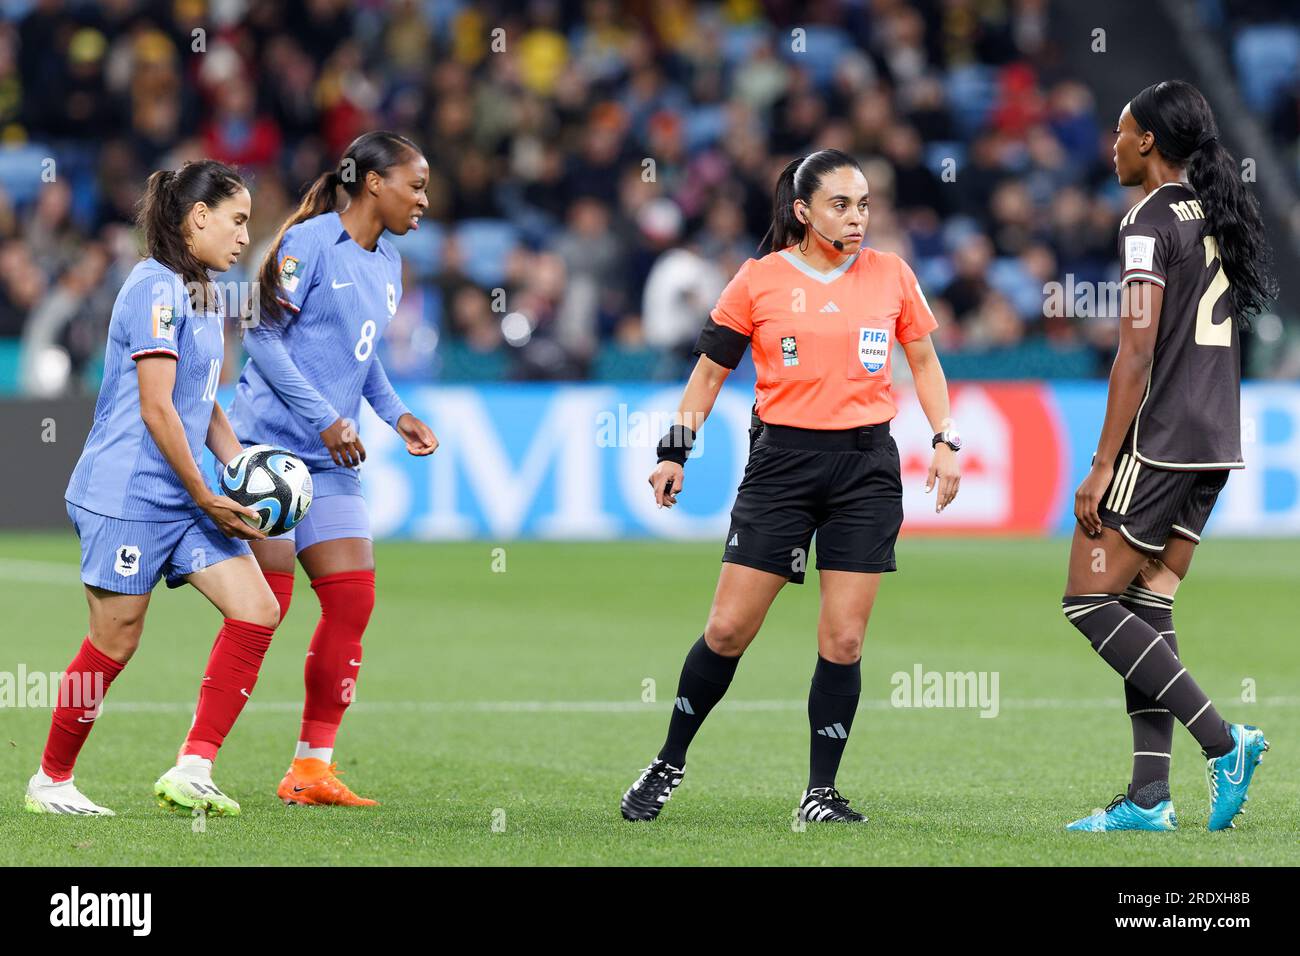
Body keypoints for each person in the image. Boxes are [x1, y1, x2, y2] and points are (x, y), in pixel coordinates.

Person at [620, 148, 962, 824]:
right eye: (841, 204)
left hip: (866, 469)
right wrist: (674, 452)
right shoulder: (758, 280)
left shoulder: (892, 275)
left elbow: (923, 360)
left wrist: (946, 438)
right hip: (782, 467)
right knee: (726, 630)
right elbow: (710, 374)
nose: (858, 217)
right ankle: (669, 759)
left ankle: (820, 792)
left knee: (843, 642)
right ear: (803, 211)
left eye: (864, 204)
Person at [27, 160, 280, 817]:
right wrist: (207, 494)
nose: (243, 237)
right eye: (237, 220)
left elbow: (199, 402)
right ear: (198, 218)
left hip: (184, 490)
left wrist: (245, 469)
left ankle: (194, 766)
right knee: (116, 639)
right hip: (128, 493)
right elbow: (157, 410)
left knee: (257, 609)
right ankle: (51, 781)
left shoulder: (204, 295)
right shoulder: (153, 288)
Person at [1062, 81, 1277, 832]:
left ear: (1147, 141)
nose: (1112, 145)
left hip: (1162, 439)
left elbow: (1135, 351)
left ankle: (1224, 742)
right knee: (1146, 602)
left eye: (1121, 132)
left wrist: (1100, 462)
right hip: (1217, 438)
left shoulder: (1149, 219)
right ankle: (1149, 798)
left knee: (1087, 598)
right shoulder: (1213, 210)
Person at [228, 131, 438, 806]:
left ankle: (311, 768)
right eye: (416, 185)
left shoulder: (390, 264)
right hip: (268, 453)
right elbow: (259, 334)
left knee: (352, 600)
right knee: (269, 607)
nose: (424, 200)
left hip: (333, 459)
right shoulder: (307, 244)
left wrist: (396, 413)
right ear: (374, 183)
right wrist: (323, 416)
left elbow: (362, 353)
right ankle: (197, 758)